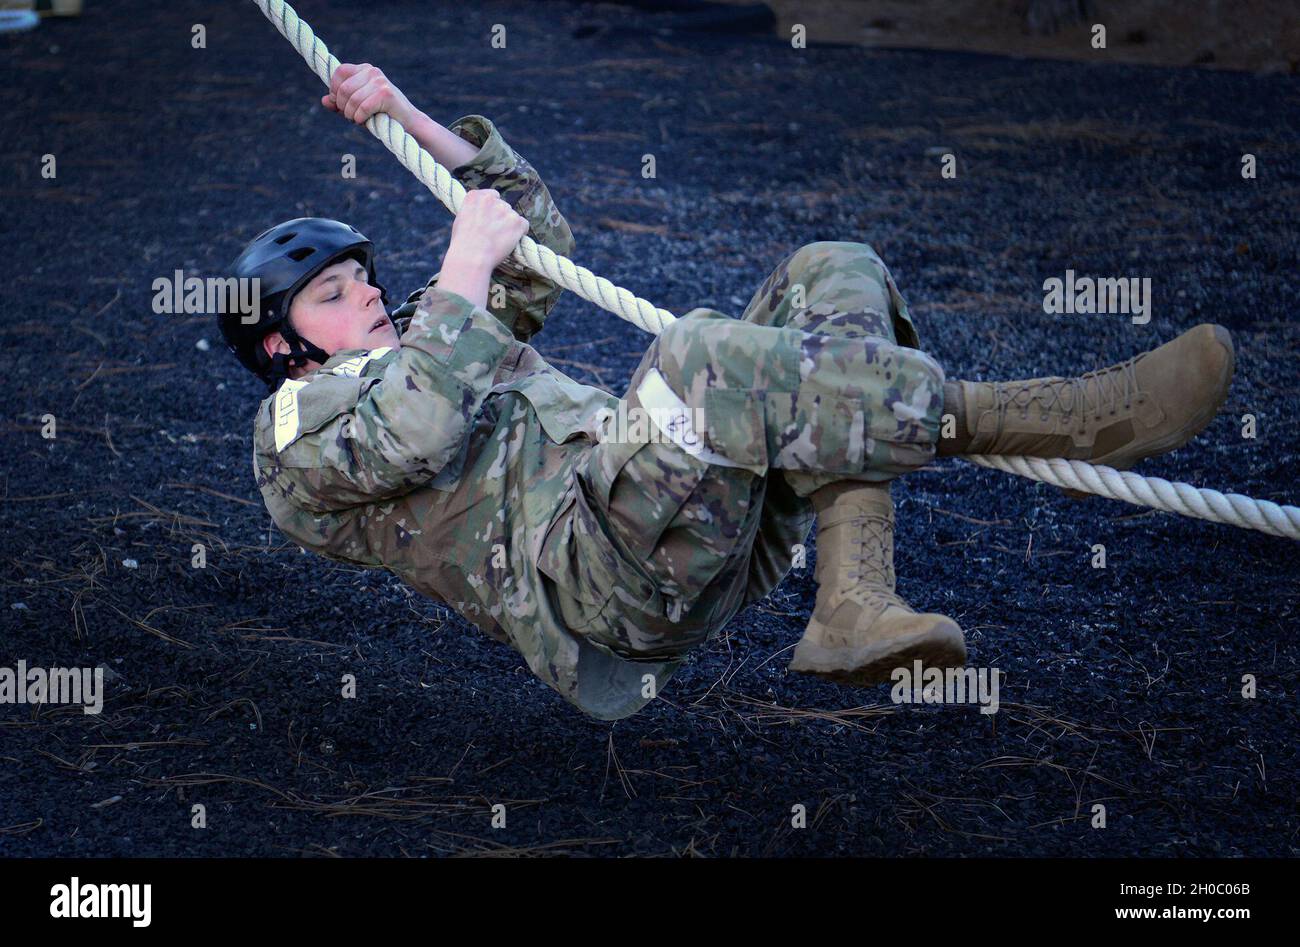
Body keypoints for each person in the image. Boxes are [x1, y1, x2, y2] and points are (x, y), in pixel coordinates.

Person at [220, 64, 1235, 720]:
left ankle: (852, 598)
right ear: (280, 343)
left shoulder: (447, 332)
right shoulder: (292, 435)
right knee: (700, 356)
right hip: (592, 578)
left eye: (362, 277)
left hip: (678, 516)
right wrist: (458, 272)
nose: (368, 296)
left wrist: (403, 114)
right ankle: (1053, 413)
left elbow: (533, 237)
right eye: (334, 295)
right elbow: (414, 430)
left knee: (829, 268)